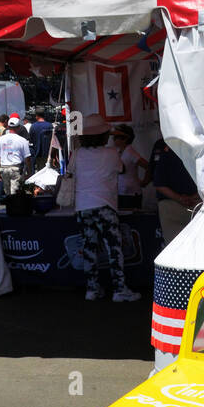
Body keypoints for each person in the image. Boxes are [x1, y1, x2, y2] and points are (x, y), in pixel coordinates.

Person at [71, 114, 140, 301]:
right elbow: (122, 169)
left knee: (89, 247)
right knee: (114, 247)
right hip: (105, 205)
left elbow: (70, 172)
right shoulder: (111, 153)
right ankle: (119, 289)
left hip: (83, 206)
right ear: (104, 135)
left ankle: (92, 289)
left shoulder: (77, 153)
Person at [147, 138, 199, 243]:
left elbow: (158, 183)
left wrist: (180, 199)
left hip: (175, 205)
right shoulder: (202, 151)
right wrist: (195, 197)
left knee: (175, 247)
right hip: (195, 204)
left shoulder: (167, 153)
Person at [0, 115, 31, 201]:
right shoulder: (22, 140)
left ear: (8, 127)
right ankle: (15, 210)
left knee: (8, 193)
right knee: (15, 193)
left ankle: (10, 210)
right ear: (18, 127)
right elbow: (27, 158)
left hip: (4, 168)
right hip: (16, 168)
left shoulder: (1, 139)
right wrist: (29, 172)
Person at [112, 124, 146, 211]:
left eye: (116, 137)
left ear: (125, 138)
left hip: (131, 195)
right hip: (121, 193)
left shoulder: (130, 152)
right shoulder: (119, 151)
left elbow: (148, 166)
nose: (113, 139)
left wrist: (145, 182)